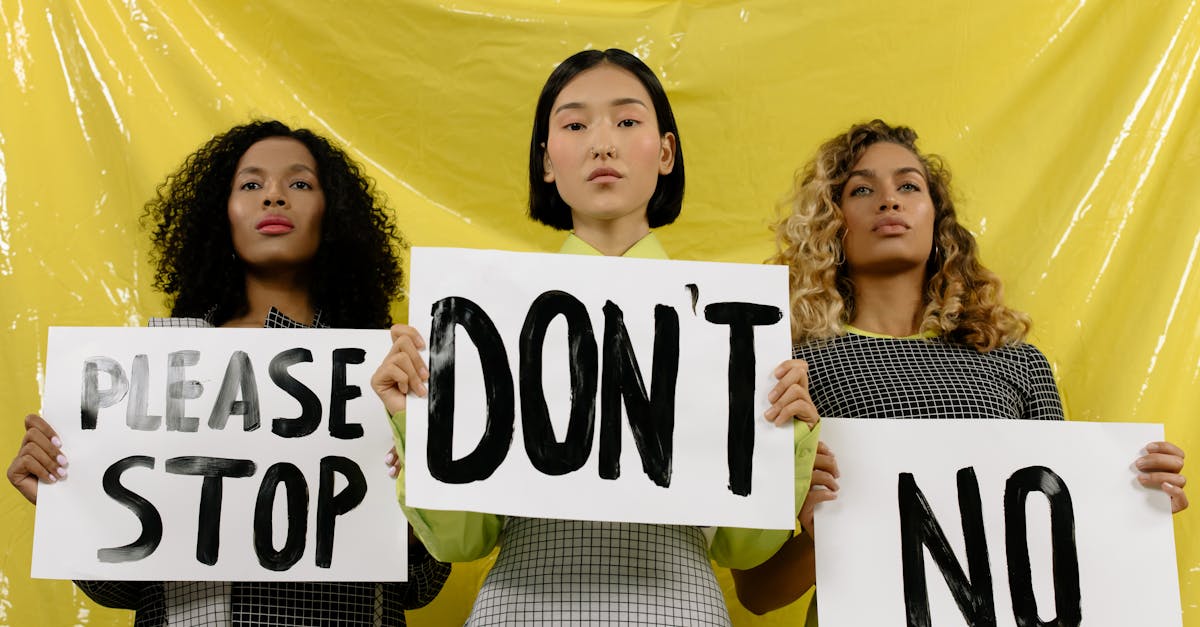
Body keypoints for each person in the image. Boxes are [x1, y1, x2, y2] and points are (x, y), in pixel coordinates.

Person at [370, 48, 821, 626]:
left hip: (681, 613)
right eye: (575, 124)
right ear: (547, 162)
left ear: (665, 152)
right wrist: (415, 413)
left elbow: (742, 548)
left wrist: (790, 435)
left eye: (627, 121)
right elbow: (462, 543)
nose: (601, 143)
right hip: (522, 611)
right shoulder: (489, 318)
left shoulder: (728, 328)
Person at [730, 119, 1189, 618]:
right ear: (830, 222)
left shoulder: (1015, 362)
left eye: (908, 186)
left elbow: (1058, 544)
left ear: (938, 219)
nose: (889, 200)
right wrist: (824, 535)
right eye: (862, 189)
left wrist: (1134, 507)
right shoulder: (791, 371)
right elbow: (758, 594)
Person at [6, 120, 450, 626]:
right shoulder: (152, 372)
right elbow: (119, 587)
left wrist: (420, 498)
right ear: (223, 214)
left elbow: (419, 587)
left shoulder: (387, 374)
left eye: (300, 183)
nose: (275, 198)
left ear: (334, 214)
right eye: (252, 184)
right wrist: (68, 500)